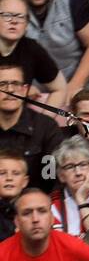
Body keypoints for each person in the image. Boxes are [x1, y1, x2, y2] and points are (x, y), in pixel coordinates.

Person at [0, 62, 64, 193]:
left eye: (16, 84)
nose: (10, 90)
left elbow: (52, 178)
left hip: (35, 206)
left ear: (24, 90)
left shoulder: (46, 128)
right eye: (2, 84)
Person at [26, 0, 89, 100]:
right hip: (31, 90)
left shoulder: (71, 1)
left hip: (75, 84)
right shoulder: (9, 8)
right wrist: (20, 85)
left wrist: (75, 85)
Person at [0, 0, 69, 107]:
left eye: (20, 16)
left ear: (27, 24)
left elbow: (60, 89)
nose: (14, 21)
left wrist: (45, 121)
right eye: (7, 15)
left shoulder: (32, 49)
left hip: (18, 121)